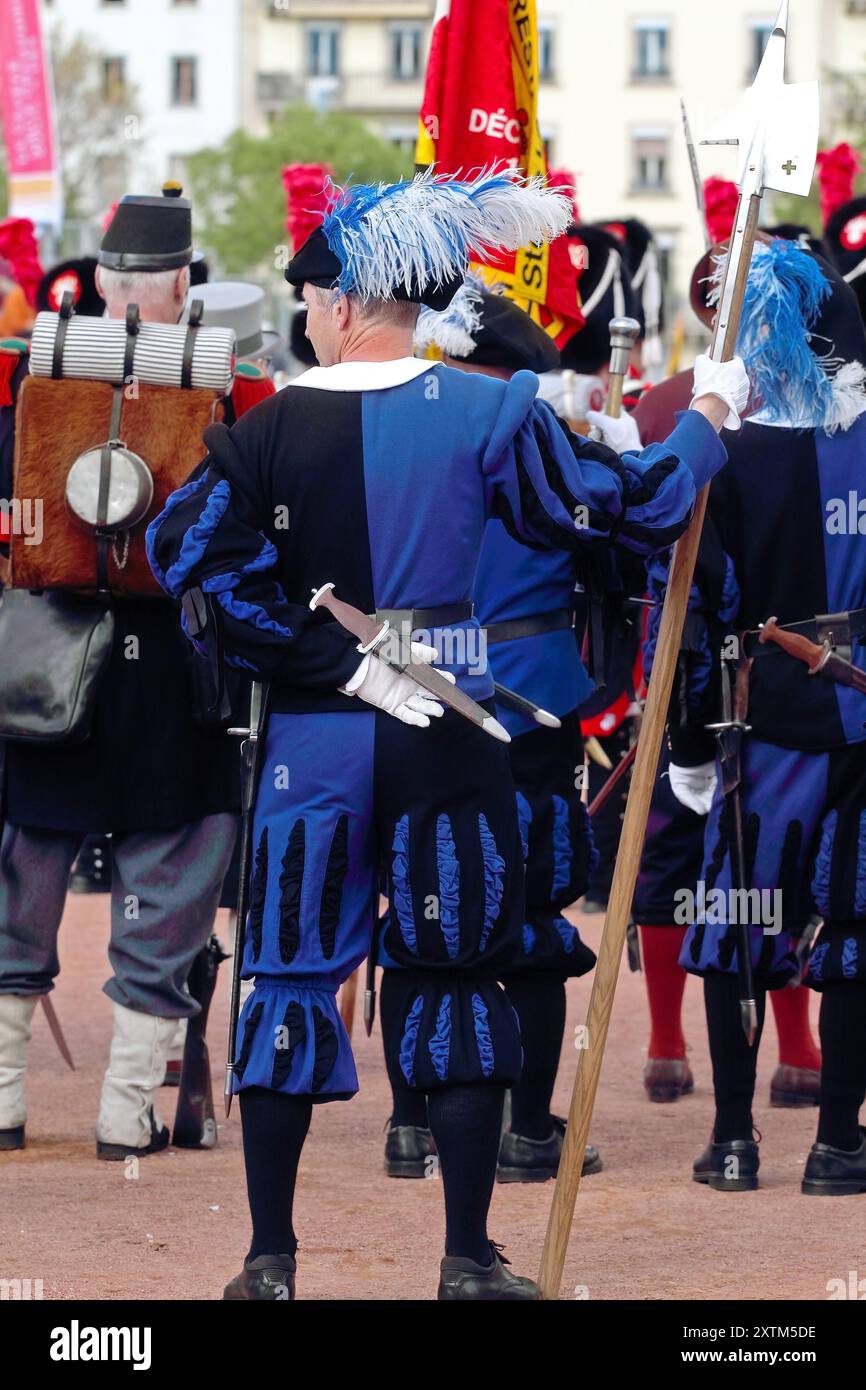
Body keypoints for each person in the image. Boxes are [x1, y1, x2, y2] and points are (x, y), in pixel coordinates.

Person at [147, 167, 746, 1299]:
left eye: (318, 297)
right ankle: (465, 1258)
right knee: (460, 978)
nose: (311, 313)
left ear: (346, 301)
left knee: (286, 978)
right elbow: (633, 506)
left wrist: (327, 660)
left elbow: (186, 557)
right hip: (455, 720)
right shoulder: (492, 410)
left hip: (318, 739)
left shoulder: (266, 429)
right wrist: (707, 416)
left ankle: (267, 1259)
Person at [0, 185, 239, 1160]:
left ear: (100, 281)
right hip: (166, 674)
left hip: (42, 666)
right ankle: (124, 1111)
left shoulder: (28, 380)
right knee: (172, 867)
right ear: (184, 281)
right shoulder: (228, 383)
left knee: (21, 871)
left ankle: (5, 1104)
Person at [649, 238, 866, 1194]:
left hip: (760, 719)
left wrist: (689, 747)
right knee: (859, 929)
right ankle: (838, 1146)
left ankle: (734, 1141)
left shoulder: (729, 453)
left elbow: (694, 614)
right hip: (859, 722)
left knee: (740, 922)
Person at [376, 277, 602, 1185]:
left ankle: (408, 1126)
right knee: (534, 921)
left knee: (420, 908)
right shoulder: (549, 445)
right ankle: (529, 1129)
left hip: (420, 687)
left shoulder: (399, 437)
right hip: (529, 694)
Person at [631, 241, 823, 1109]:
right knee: (753, 868)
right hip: (737, 670)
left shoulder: (671, 404)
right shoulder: (677, 403)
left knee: (715, 870)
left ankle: (685, 1049)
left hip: (710, 671)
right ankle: (772, 1046)